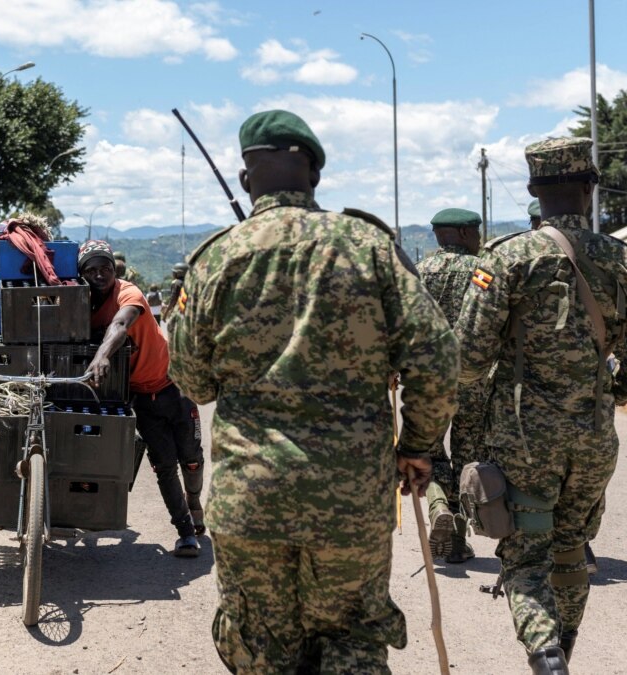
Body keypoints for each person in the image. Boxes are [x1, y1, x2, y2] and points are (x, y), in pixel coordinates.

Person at [168, 110, 458, 672]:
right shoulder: (369, 247)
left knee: (261, 647)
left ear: (247, 179)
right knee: (352, 638)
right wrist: (418, 445)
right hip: (351, 500)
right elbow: (437, 355)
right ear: (316, 176)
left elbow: (194, 381)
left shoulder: (215, 260)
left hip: (251, 500)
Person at [455, 137, 625, 673]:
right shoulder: (620, 260)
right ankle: (564, 647)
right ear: (590, 188)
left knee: (526, 558)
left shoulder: (508, 258)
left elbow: (465, 358)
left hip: (526, 438)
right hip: (596, 436)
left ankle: (547, 657)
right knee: (571, 550)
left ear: (532, 190)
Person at [80, 239, 205, 557]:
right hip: (142, 398)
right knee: (164, 466)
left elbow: (120, 324)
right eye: (91, 270)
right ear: (82, 274)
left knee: (190, 458)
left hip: (176, 385)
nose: (99, 275)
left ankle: (194, 503)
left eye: (104, 268)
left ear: (114, 269)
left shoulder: (130, 293)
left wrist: (102, 355)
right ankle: (185, 532)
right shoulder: (87, 309)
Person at [418, 207, 484, 564]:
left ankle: (437, 506)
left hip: (428, 381)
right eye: (475, 232)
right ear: (461, 233)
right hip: (473, 380)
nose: (478, 239)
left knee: (428, 453)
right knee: (468, 456)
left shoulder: (420, 272)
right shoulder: (482, 271)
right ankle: (457, 539)